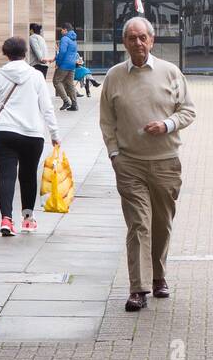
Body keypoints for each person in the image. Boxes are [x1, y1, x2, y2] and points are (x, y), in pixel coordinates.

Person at [100, 16, 197, 312]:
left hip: (166, 162)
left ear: (152, 41)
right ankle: (138, 288)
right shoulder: (114, 76)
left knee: (161, 224)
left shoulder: (170, 72)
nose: (138, 43)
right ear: (124, 42)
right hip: (130, 164)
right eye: (132, 38)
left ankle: (158, 276)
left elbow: (188, 111)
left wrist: (167, 124)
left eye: (143, 37)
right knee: (138, 224)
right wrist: (115, 155)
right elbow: (107, 121)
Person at [0, 36, 59, 237]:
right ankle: (28, 219)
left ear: (5, 53)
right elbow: (47, 108)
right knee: (28, 176)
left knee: (6, 176)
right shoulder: (36, 76)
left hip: (4, 132)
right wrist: (54, 134)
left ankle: (6, 219)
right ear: (25, 53)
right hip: (32, 135)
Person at [53, 23, 79, 111]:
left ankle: (66, 101)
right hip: (72, 65)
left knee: (56, 81)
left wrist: (58, 62)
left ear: (65, 30)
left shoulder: (64, 39)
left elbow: (62, 52)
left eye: (62, 29)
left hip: (64, 64)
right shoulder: (74, 39)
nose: (61, 31)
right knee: (70, 83)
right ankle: (74, 104)